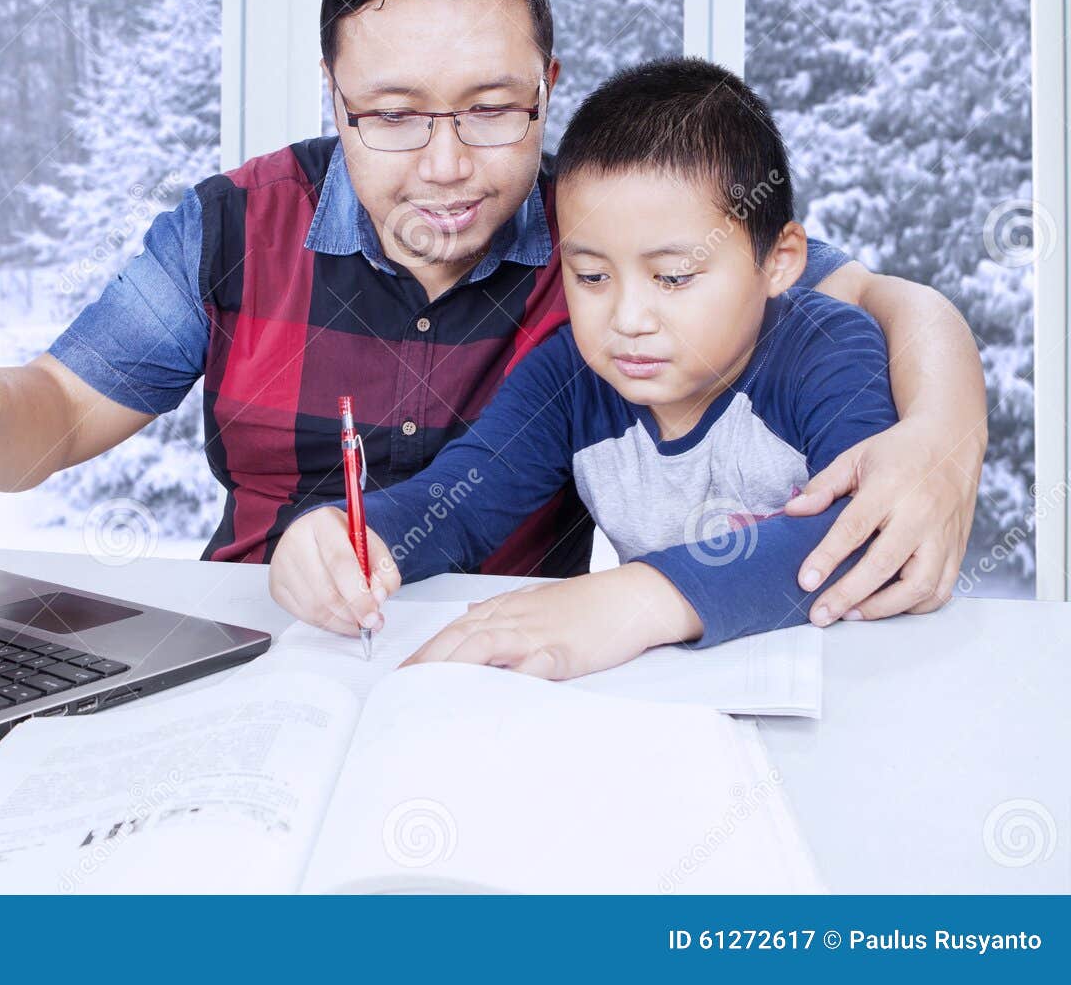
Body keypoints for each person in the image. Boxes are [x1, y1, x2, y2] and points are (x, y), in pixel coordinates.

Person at [0, 0, 985, 642]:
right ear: (336, 98)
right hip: (263, 642)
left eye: (491, 110)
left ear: (546, 88)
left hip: (500, 668)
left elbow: (876, 304)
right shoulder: (232, 223)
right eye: (395, 117)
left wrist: (939, 434)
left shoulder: (612, 225)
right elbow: (52, 409)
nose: (450, 167)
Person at [270, 57, 899, 677]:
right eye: (591, 275)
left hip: (851, 686)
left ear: (780, 260)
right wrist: (348, 537)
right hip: (668, 704)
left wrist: (632, 599)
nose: (627, 317)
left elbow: (868, 529)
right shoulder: (569, 378)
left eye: (674, 277)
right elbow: (459, 502)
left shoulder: (828, 350)